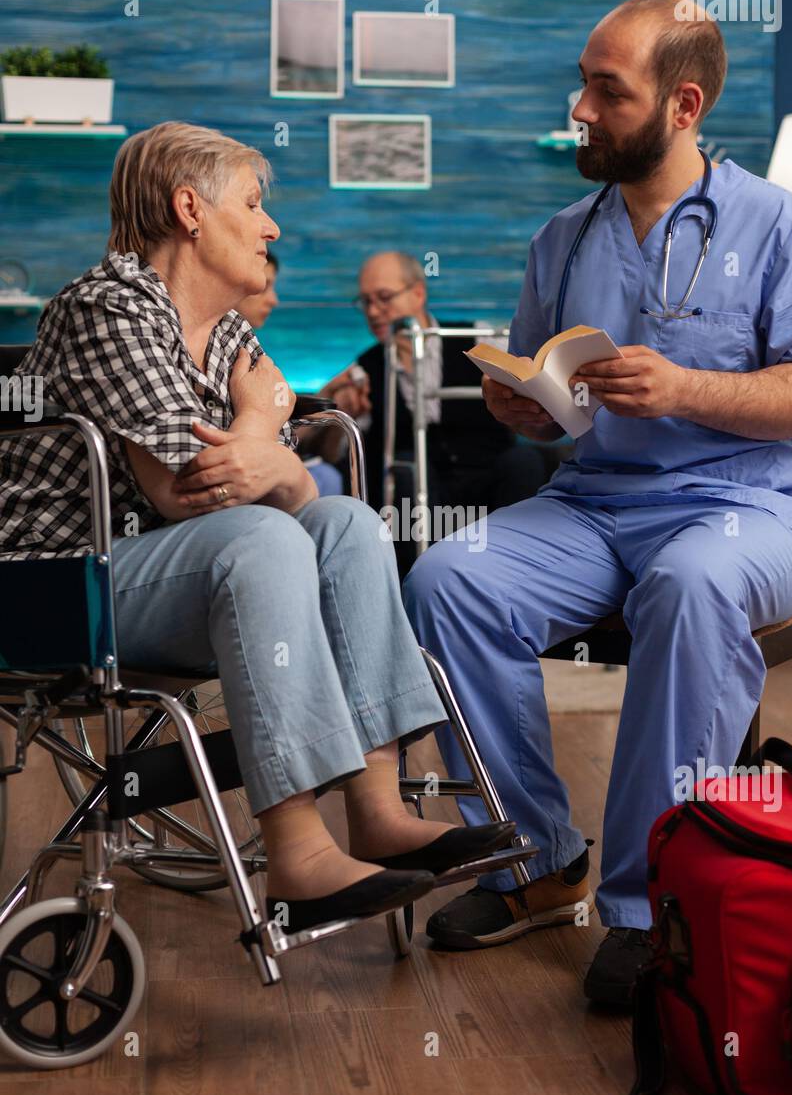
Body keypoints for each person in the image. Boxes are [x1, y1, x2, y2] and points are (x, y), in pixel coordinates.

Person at [403, 0, 792, 1004]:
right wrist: (522, 407)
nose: (579, 107)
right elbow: (545, 389)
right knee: (445, 577)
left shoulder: (778, 225)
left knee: (691, 584)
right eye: (583, 82)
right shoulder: (561, 239)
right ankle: (534, 862)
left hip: (742, 507)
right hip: (594, 500)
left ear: (681, 103)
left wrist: (686, 389)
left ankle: (651, 903)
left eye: (606, 91)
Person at [0, 120, 515, 933]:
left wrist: (268, 446)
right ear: (189, 209)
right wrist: (265, 436)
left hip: (166, 576)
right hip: (56, 587)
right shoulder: (106, 307)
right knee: (266, 535)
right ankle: (299, 855)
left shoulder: (232, 333)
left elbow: (271, 495)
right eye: (254, 201)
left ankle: (376, 812)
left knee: (345, 523)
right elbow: (186, 492)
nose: (271, 226)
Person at [320, 251, 549, 576]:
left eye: (383, 298)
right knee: (404, 470)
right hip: (418, 504)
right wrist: (337, 410)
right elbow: (339, 456)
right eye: (365, 302)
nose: (373, 311)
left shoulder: (478, 340)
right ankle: (410, 589)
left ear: (418, 293)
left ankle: (521, 576)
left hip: (484, 484)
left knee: (524, 462)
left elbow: (535, 387)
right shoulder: (364, 371)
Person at [236, 248, 344, 497]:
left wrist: (328, 392)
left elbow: (281, 428)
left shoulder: (251, 351)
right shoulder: (246, 360)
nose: (274, 300)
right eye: (265, 285)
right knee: (327, 479)